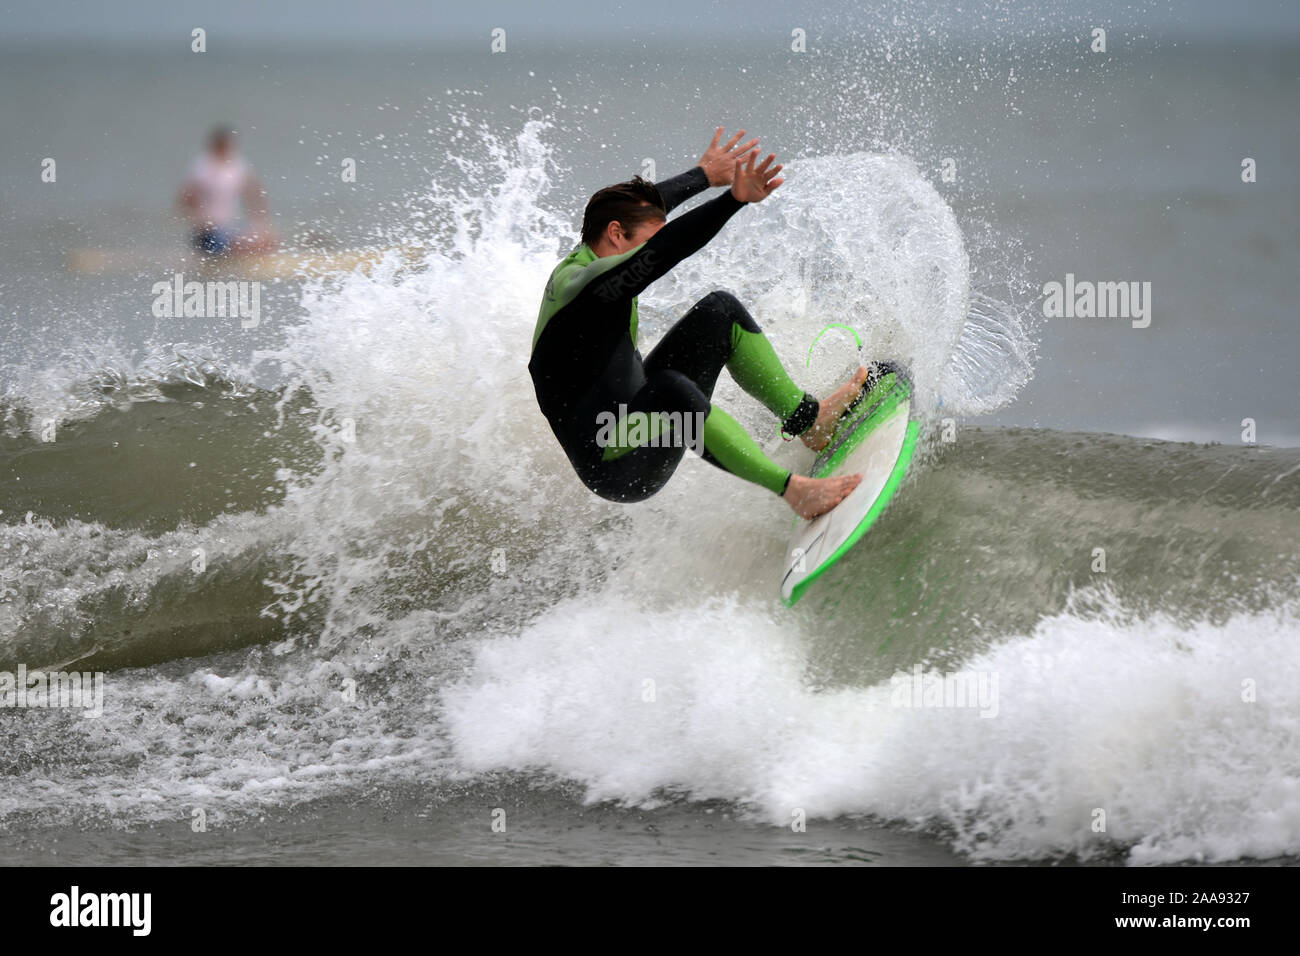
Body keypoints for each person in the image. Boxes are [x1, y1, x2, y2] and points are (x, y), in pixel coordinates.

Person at [528, 128, 869, 519]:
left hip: (640, 412)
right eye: (646, 240)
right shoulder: (584, 287)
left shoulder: (593, 254)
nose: (650, 250)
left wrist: (704, 175)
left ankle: (809, 423)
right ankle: (795, 492)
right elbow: (665, 247)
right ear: (616, 234)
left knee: (719, 312)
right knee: (670, 391)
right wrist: (732, 200)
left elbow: (652, 223)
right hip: (615, 458)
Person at [177, 125, 277, 257]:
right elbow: (186, 198)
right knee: (240, 246)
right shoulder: (202, 167)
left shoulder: (237, 163)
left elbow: (254, 192)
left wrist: (262, 223)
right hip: (208, 230)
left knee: (268, 242)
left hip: (230, 225)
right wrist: (201, 221)